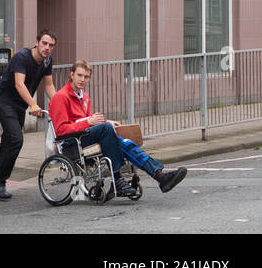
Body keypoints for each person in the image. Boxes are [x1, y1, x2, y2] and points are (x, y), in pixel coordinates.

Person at [48, 60, 187, 196]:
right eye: (79, 75)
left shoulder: (84, 97)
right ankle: (117, 179)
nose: (82, 79)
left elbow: (87, 120)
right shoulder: (60, 97)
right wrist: (91, 122)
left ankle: (160, 176)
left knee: (123, 142)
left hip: (84, 136)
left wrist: (107, 121)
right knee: (108, 131)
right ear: (71, 74)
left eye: (86, 77)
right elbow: (61, 130)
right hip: (71, 143)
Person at [0, 29, 57, 199]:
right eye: (44, 43)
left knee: (10, 142)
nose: (47, 48)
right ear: (37, 42)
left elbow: (48, 86)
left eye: (51, 45)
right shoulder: (22, 57)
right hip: (4, 101)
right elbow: (19, 84)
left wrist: (60, 106)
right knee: (15, 139)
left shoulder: (47, 61)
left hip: (19, 106)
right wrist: (33, 104)